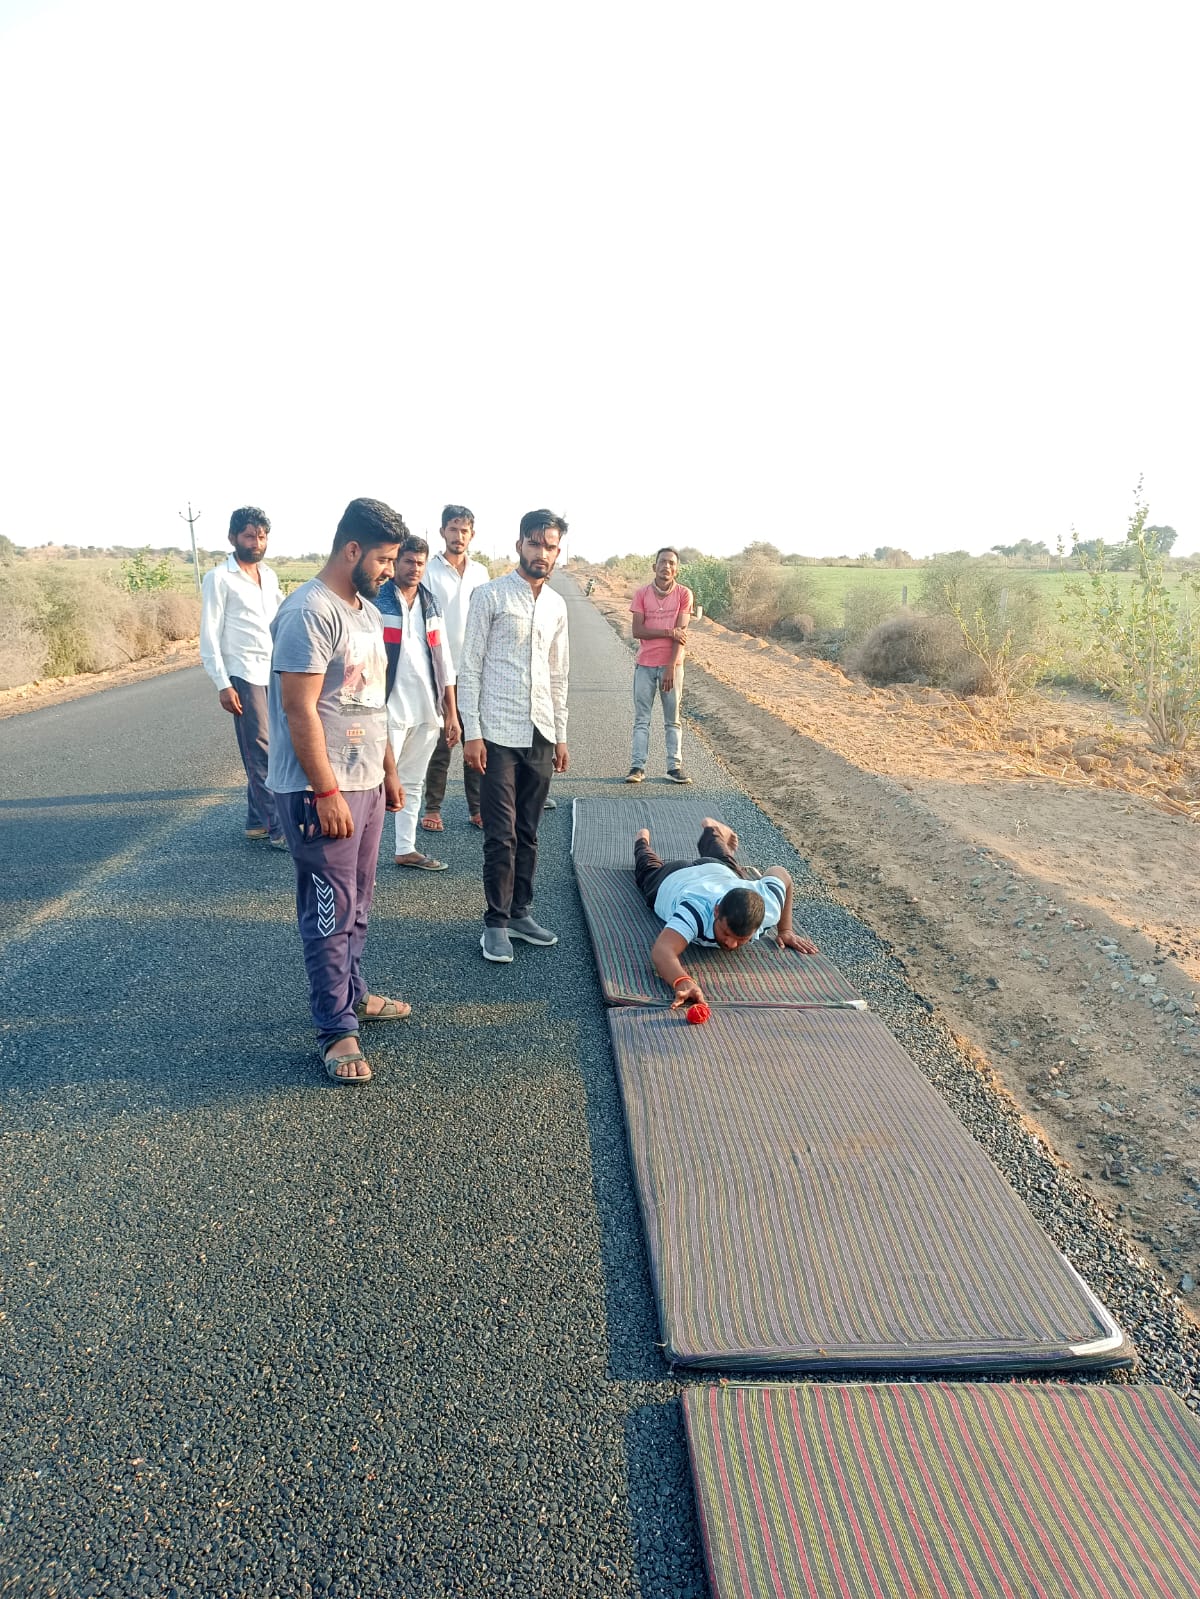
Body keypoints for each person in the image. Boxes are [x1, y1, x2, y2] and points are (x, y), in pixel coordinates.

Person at [266, 497, 409, 1085]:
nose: (388, 571)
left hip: (367, 781)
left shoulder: (366, 612)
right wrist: (325, 791)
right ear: (352, 550)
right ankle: (334, 1028)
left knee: (360, 901)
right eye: (382, 559)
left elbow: (373, 703)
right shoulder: (308, 612)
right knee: (330, 909)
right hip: (319, 789)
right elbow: (298, 709)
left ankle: (354, 994)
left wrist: (390, 770)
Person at [458, 509, 570, 963]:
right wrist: (473, 732)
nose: (542, 553)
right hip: (498, 732)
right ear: (520, 544)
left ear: (558, 551)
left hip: (540, 731)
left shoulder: (557, 606)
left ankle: (520, 912)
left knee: (529, 830)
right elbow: (470, 667)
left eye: (551, 546)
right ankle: (495, 924)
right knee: (500, 833)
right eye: (535, 543)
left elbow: (559, 673)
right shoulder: (489, 596)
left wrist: (561, 734)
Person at [633, 817, 819, 1009]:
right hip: (672, 877)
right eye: (726, 933)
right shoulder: (695, 910)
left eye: (741, 939)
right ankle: (642, 840)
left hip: (717, 870)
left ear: (758, 926)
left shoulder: (769, 907)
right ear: (716, 911)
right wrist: (681, 980)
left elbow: (781, 873)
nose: (731, 944)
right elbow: (662, 951)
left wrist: (785, 930)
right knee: (647, 870)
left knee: (724, 862)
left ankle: (711, 829)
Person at [199, 506, 285, 844]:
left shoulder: (270, 576)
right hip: (243, 674)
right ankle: (278, 828)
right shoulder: (219, 578)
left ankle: (256, 820)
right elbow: (209, 635)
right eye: (249, 535)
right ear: (233, 537)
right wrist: (222, 683)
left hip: (273, 671)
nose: (257, 542)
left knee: (278, 746)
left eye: (262, 536)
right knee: (261, 749)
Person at [375, 535, 459, 871]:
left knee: (411, 781)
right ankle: (358, 860)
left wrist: (451, 712)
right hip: (387, 707)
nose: (414, 568)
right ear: (396, 562)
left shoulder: (431, 603)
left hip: (427, 707)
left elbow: (444, 660)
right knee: (376, 784)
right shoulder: (377, 600)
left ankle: (405, 848)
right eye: (408, 561)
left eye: (420, 563)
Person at [419, 505, 490, 832]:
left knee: (475, 738)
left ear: (472, 534)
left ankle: (477, 808)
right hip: (439, 668)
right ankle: (432, 807)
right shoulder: (429, 571)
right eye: (453, 529)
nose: (458, 536)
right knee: (442, 741)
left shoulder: (480, 572)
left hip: (474, 668)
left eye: (464, 530)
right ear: (442, 532)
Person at [627, 546, 693, 785]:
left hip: (672, 666)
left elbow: (681, 636)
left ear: (677, 569)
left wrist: (670, 667)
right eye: (662, 562)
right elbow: (638, 630)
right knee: (641, 719)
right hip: (644, 665)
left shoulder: (684, 595)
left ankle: (674, 767)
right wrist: (668, 631)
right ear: (654, 567)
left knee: (672, 719)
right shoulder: (642, 594)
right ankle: (637, 767)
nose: (667, 566)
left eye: (671, 563)